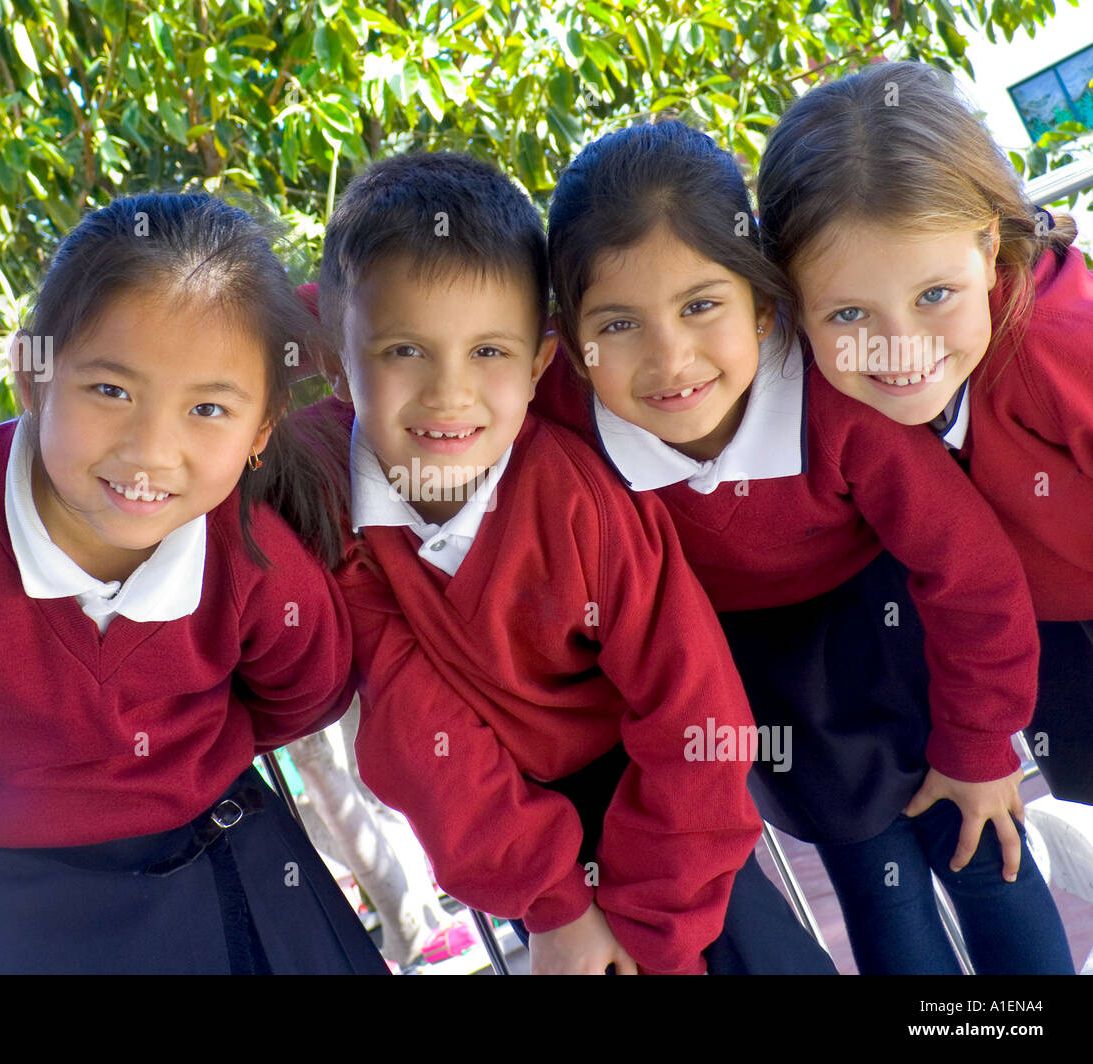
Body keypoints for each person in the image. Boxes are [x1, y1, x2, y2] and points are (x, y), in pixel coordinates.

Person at [0, 192, 387, 975]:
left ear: (260, 434)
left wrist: (179, 771)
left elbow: (301, 691)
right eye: (111, 391)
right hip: (6, 896)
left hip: (225, 852)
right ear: (33, 375)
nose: (151, 450)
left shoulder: (251, 557)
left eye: (209, 407)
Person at [534, 119, 1074, 974]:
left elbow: (971, 575)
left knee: (983, 851)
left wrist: (977, 746)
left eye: (701, 306)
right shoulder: (563, 427)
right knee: (876, 881)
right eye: (620, 324)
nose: (670, 358)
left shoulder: (838, 400)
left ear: (762, 300)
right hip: (769, 682)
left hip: (902, 639)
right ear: (567, 343)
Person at [302, 150, 824, 975]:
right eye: (405, 351)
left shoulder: (579, 494)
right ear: (336, 360)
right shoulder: (333, 514)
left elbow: (696, 712)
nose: (449, 394)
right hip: (517, 839)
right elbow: (419, 738)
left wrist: (648, 926)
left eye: (488, 353)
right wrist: (559, 904)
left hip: (664, 815)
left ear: (543, 363)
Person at [756, 60, 1093, 807]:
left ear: (989, 246)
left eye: (934, 294)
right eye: (848, 315)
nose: (898, 349)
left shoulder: (1058, 340)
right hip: (1051, 635)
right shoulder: (825, 395)